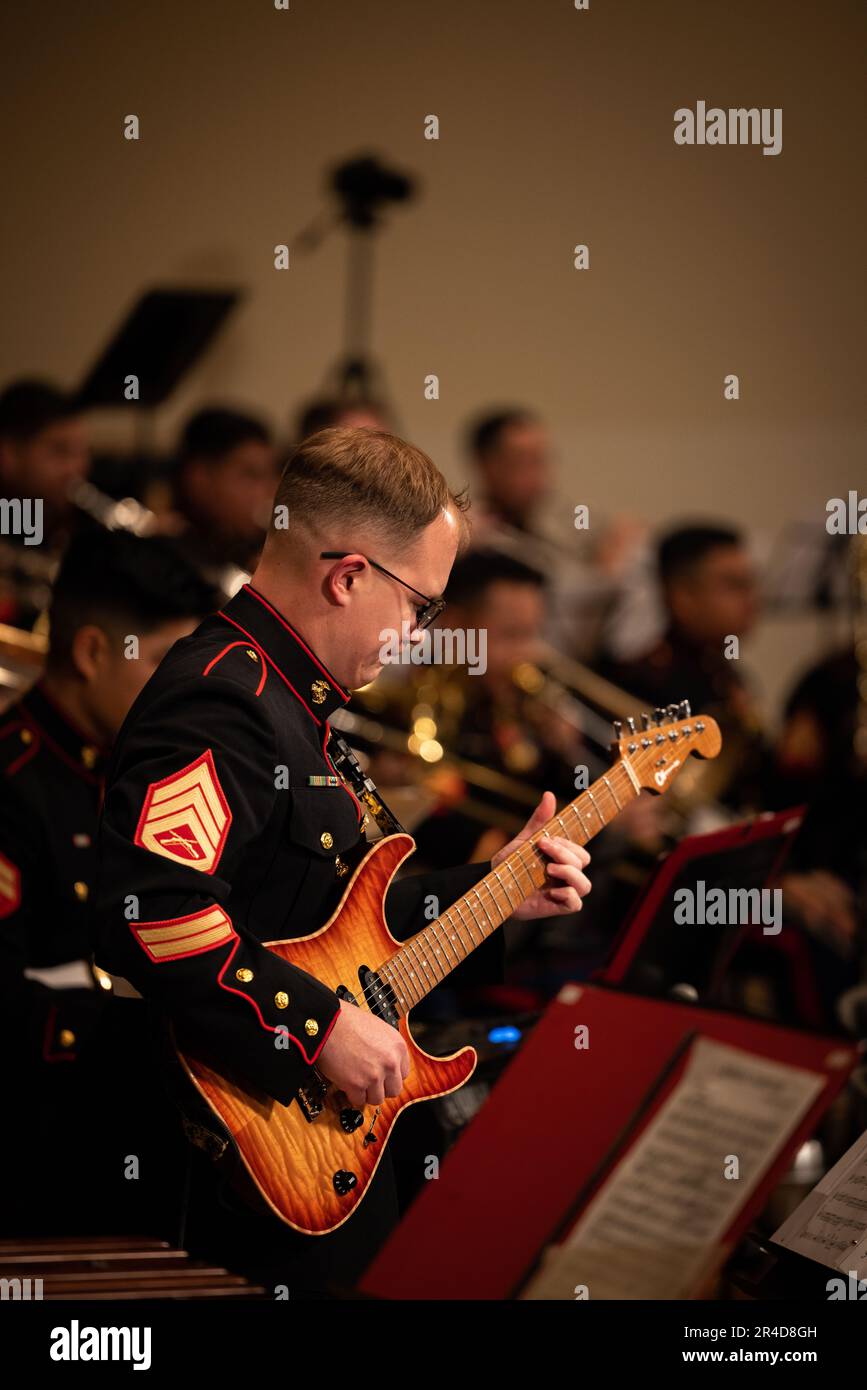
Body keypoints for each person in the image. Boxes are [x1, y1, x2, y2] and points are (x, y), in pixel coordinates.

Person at [92, 426, 593, 1294]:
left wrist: (496, 889)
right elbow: (152, 914)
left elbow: (340, 923)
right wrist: (316, 1024)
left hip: (318, 1131)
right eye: (418, 605)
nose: (414, 634)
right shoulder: (225, 698)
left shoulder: (295, 701)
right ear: (349, 575)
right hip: (246, 1149)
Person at [0, 529, 219, 1235]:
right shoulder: (11, 782)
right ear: (94, 653)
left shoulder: (138, 767)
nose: (182, 693)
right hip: (45, 1146)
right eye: (162, 663)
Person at [0, 378, 91, 626]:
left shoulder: (70, 525)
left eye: (82, 453)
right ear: (8, 453)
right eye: (59, 451)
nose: (76, 468)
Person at [169, 406, 278, 577]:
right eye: (251, 475)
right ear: (200, 478)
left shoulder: (252, 547)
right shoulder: (169, 556)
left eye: (271, 474)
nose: (271, 490)